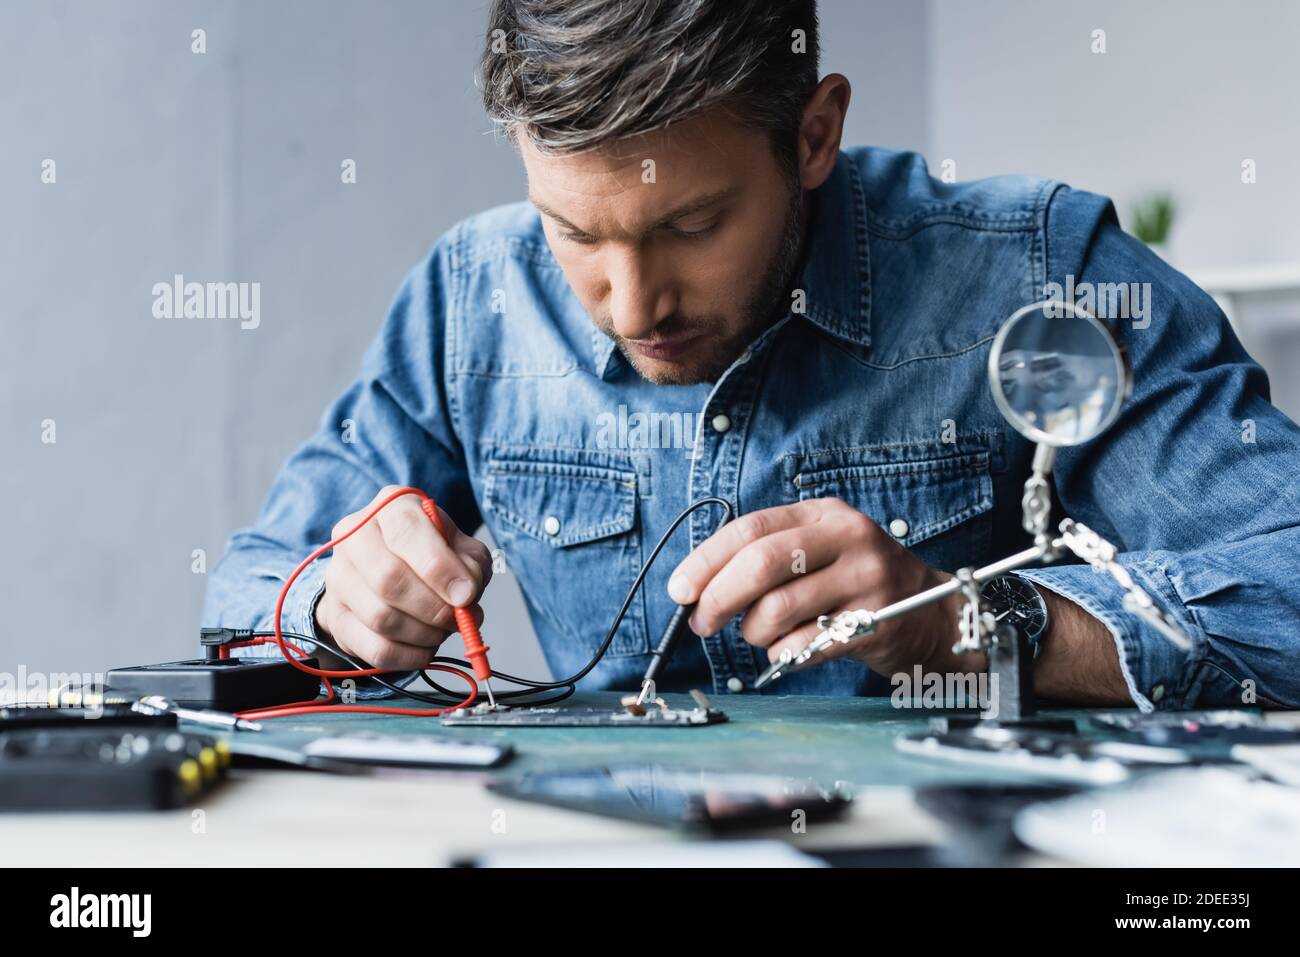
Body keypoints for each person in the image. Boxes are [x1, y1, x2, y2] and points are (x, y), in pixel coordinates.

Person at [204, 0, 1300, 710]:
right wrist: (334, 601)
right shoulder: (470, 296)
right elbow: (248, 586)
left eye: (690, 226)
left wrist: (965, 627)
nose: (630, 306)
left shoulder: (1044, 276)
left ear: (814, 134)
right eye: (575, 235)